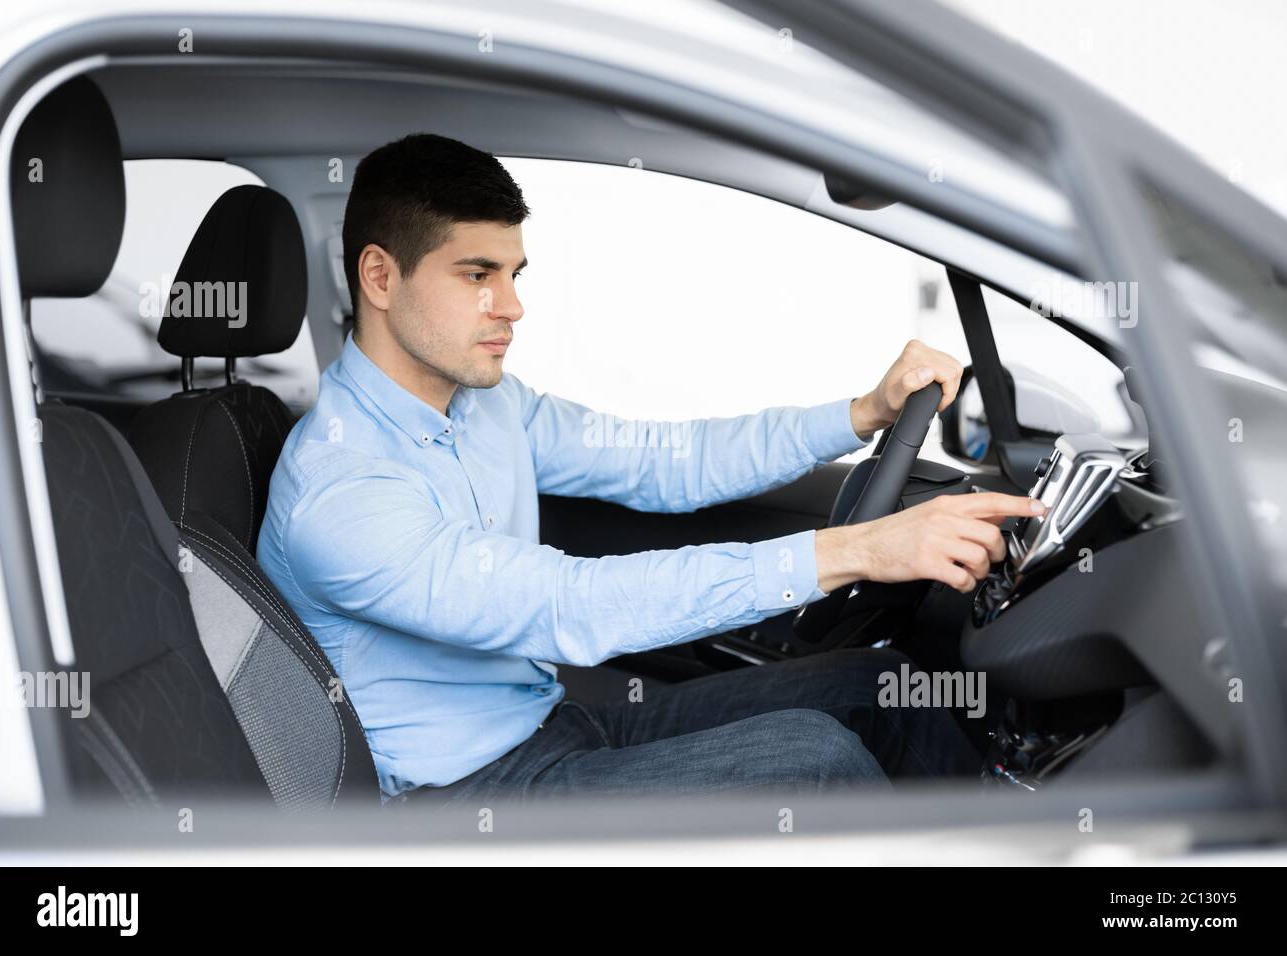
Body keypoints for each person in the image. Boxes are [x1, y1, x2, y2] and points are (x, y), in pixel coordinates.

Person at [257, 133, 1045, 803]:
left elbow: (661, 462)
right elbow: (571, 605)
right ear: (380, 278)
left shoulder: (483, 405)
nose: (513, 306)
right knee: (815, 761)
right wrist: (859, 551)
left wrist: (860, 413)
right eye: (477, 275)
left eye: (514, 274)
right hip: (465, 796)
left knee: (877, 691)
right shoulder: (339, 492)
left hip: (550, 721)